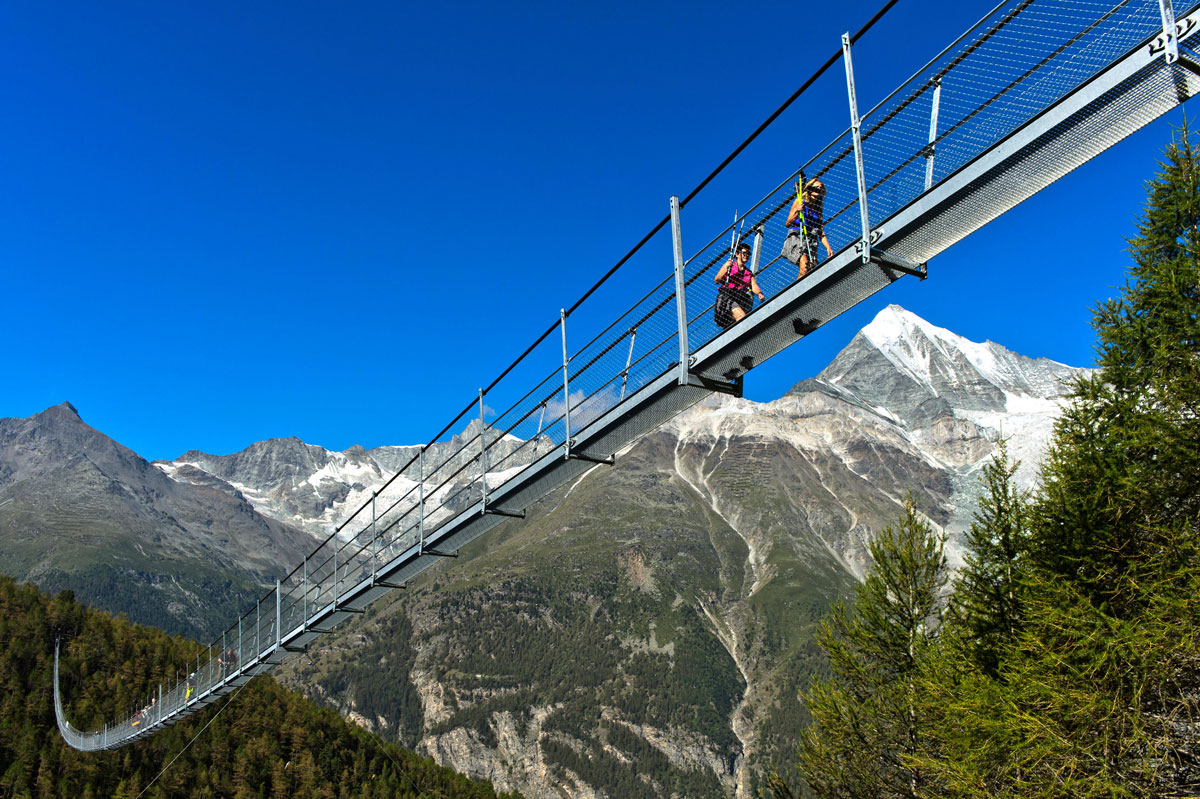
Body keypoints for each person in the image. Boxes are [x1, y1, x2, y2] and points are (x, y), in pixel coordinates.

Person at [782, 177, 833, 279]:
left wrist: (828, 247)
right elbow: (788, 223)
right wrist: (797, 211)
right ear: (810, 189)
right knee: (804, 266)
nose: (818, 190)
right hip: (797, 235)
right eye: (816, 188)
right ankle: (796, 292)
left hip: (811, 239)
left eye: (820, 188)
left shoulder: (818, 209)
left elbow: (820, 230)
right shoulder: (799, 201)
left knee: (812, 268)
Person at [713, 240, 765, 328]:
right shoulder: (730, 265)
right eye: (744, 253)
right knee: (741, 316)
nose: (746, 255)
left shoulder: (748, 273)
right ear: (737, 254)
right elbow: (717, 280)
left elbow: (753, 285)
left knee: (734, 324)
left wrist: (759, 293)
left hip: (739, 299)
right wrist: (726, 267)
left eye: (748, 254)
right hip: (727, 297)